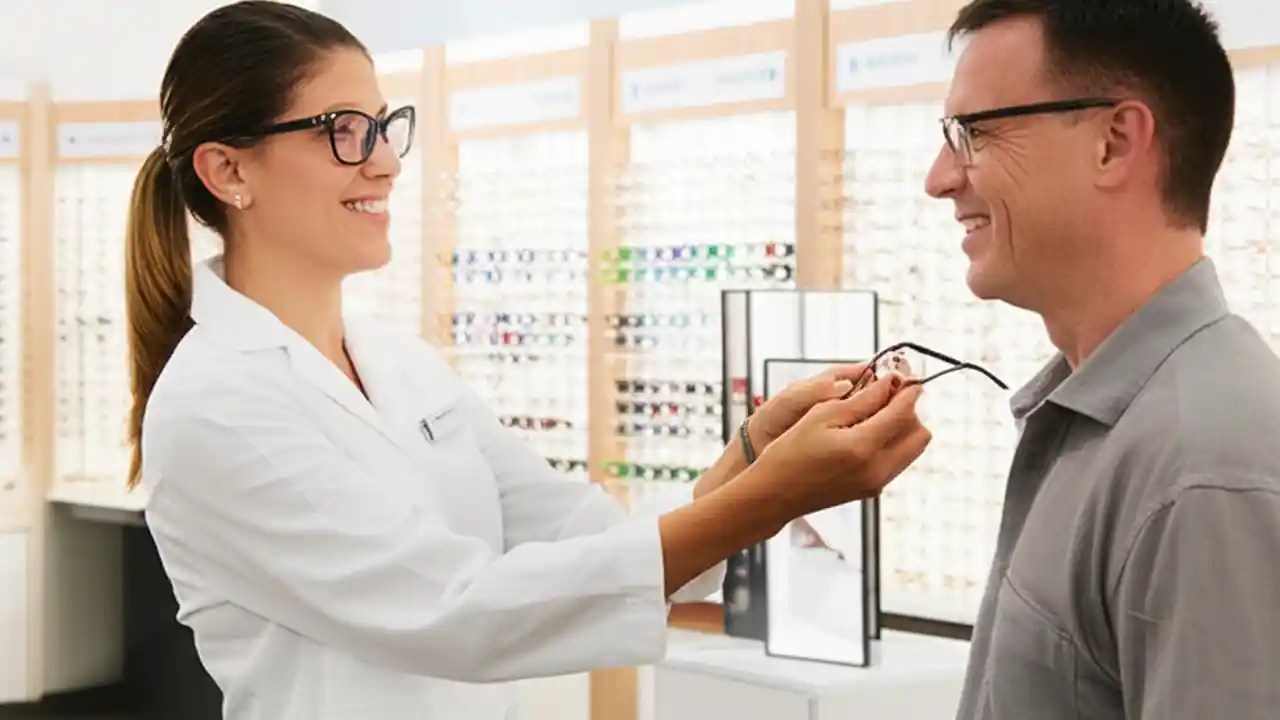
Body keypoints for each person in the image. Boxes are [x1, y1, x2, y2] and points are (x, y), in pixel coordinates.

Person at [122, 2, 932, 718]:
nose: (386, 161)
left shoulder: (398, 364)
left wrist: (753, 456)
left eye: (384, 125)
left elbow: (587, 541)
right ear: (228, 170)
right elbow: (457, 613)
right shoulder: (214, 404)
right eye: (342, 130)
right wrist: (769, 495)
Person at [925, 1, 1280, 718]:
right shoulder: (1111, 424)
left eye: (975, 133)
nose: (939, 178)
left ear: (1114, 143)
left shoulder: (1205, 468)